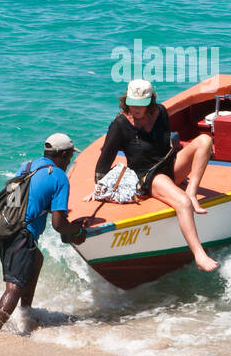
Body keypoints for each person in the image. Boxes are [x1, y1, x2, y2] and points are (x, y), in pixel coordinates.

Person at [89, 79, 218, 273]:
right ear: (127, 101)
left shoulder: (161, 112)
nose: (137, 108)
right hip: (149, 176)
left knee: (205, 141)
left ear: (150, 101)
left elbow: (168, 145)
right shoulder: (120, 124)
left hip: (170, 165)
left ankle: (191, 190)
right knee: (183, 203)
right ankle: (199, 254)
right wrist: (99, 187)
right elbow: (104, 162)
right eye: (133, 103)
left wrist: (181, 174)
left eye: (141, 104)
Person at [0, 132, 87, 333]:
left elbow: (15, 200)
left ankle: (26, 312)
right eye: (69, 156)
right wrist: (78, 230)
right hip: (22, 233)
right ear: (62, 154)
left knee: (36, 260)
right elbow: (59, 225)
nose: (69, 161)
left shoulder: (26, 167)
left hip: (5, 227)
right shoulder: (60, 177)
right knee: (14, 286)